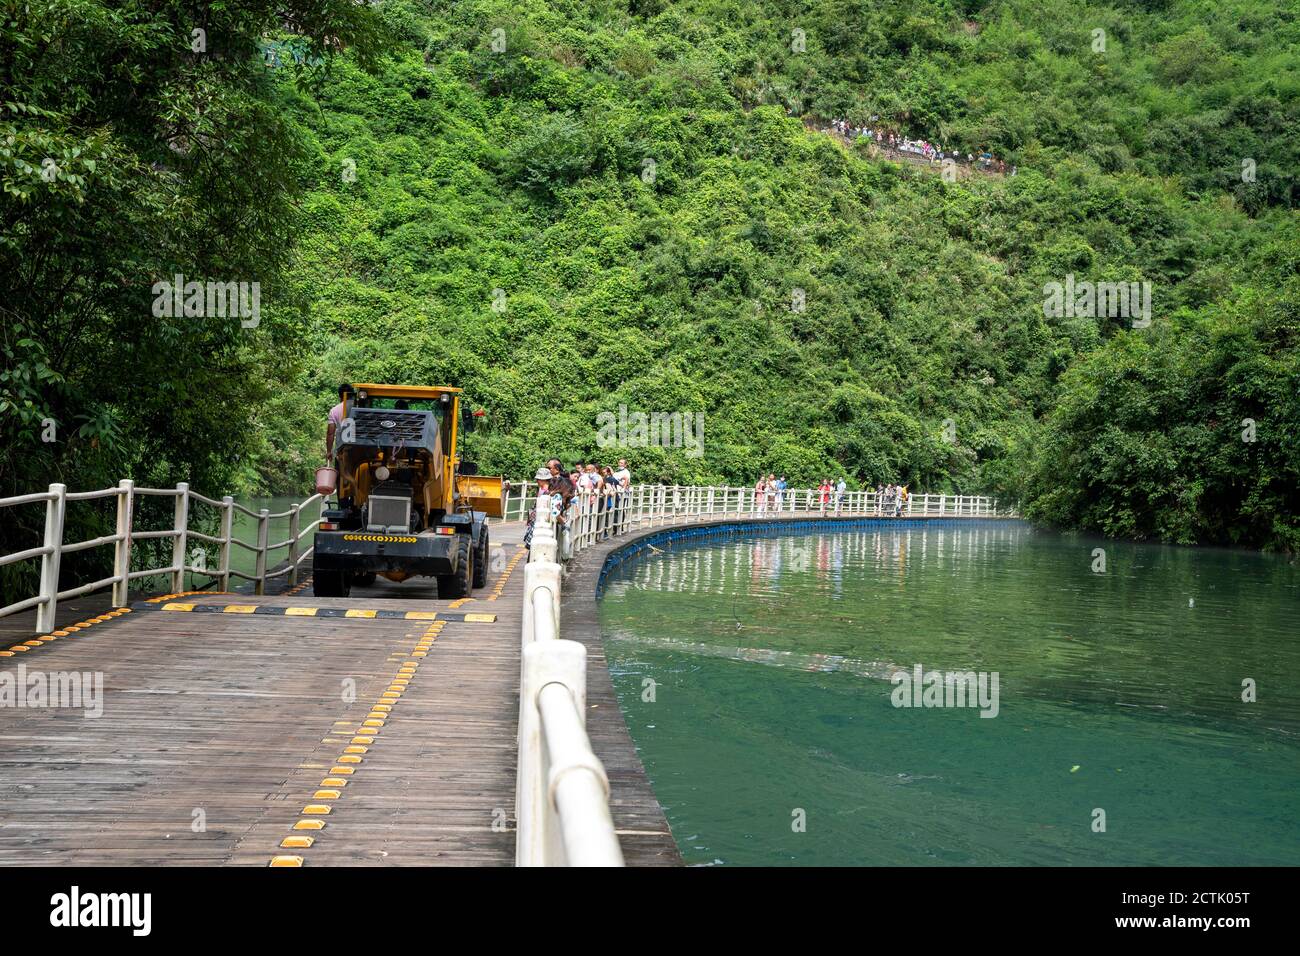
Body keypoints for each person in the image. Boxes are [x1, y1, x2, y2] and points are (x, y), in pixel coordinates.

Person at [326, 383, 354, 461]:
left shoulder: (334, 410)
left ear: (340, 395)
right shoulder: (360, 407)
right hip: (361, 447)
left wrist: (329, 451)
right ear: (352, 394)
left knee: (341, 472)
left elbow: (330, 433)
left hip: (342, 449)